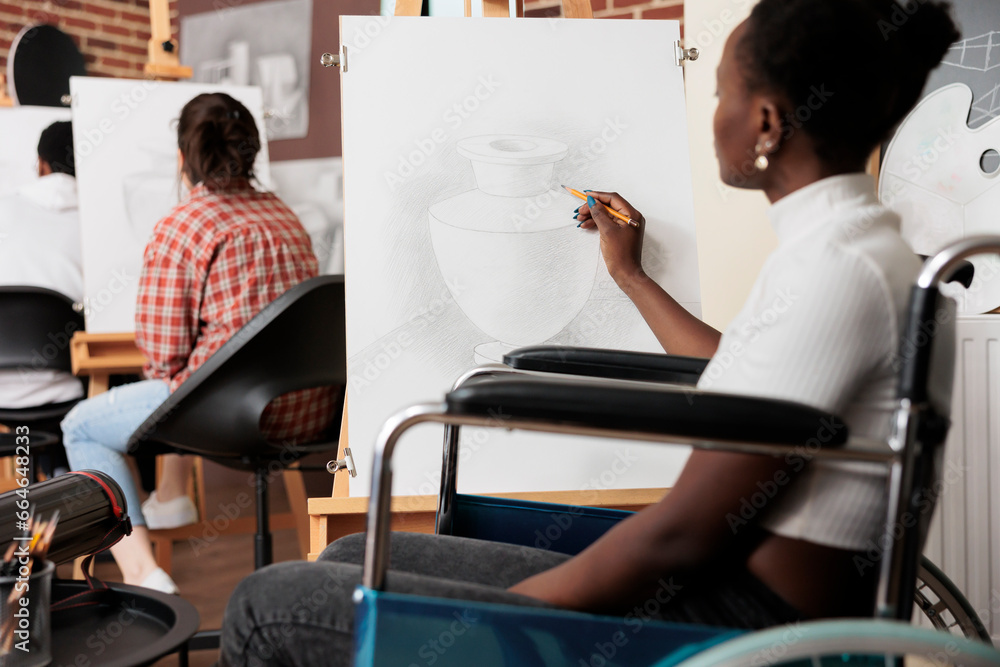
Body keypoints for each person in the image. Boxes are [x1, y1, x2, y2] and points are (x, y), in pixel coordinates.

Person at [219, 0, 960, 663]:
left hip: (735, 621)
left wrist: (512, 619)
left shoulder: (834, 270)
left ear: (765, 122)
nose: (714, 114)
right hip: (720, 589)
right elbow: (744, 376)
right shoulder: (853, 249)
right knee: (352, 550)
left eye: (723, 92)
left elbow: (683, 534)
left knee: (262, 604)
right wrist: (630, 275)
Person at [62, 93, 337, 594]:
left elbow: (163, 357)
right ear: (250, 151)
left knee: (83, 425)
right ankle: (172, 496)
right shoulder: (287, 217)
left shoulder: (183, 224)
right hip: (309, 413)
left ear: (183, 156)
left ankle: (146, 576)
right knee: (196, 372)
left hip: (229, 415)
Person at [0, 121, 84, 410]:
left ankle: (25, 453)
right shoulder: (99, 222)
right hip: (68, 387)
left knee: (24, 443)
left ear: (41, 164)